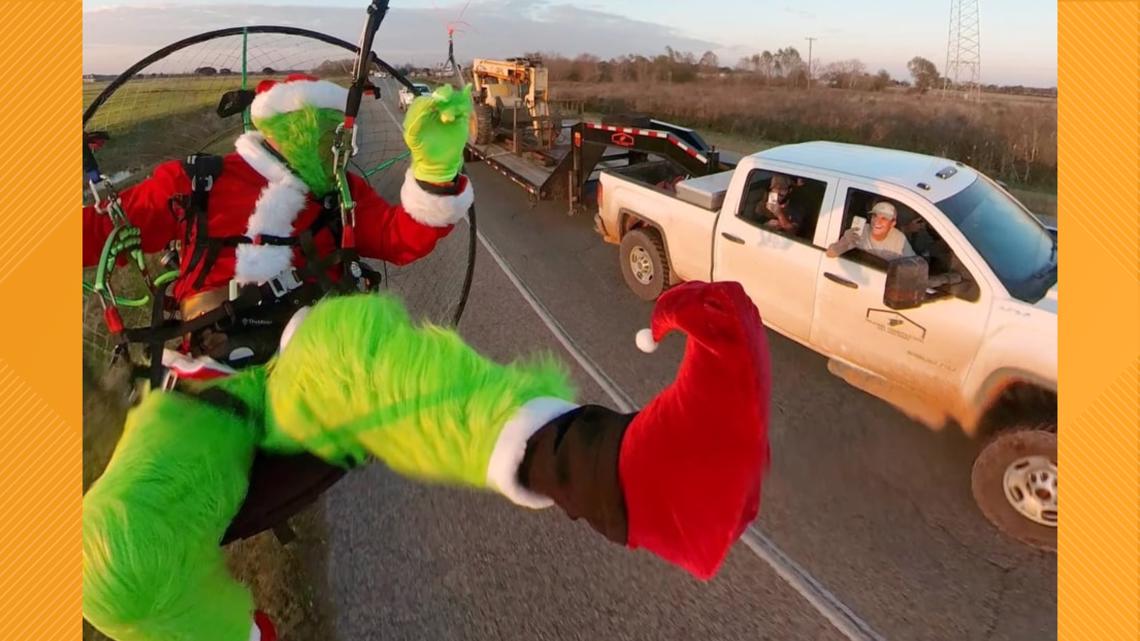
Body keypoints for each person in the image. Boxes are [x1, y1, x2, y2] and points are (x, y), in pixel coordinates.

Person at [82, 280, 774, 641]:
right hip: (194, 421)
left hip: (275, 379)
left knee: (341, 352)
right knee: (119, 552)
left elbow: (399, 228)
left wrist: (434, 163)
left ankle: (628, 469)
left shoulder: (312, 187)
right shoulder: (184, 207)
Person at [83, 74, 475, 374]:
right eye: (331, 136)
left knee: (430, 381)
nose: (343, 150)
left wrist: (435, 174)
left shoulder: (343, 191)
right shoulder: (195, 182)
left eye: (345, 138)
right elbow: (99, 231)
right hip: (207, 369)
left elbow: (398, 239)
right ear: (290, 127)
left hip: (323, 364)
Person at [826, 201, 916, 261]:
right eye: (874, 216)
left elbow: (914, 265)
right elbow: (830, 253)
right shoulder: (860, 231)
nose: (877, 221)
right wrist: (845, 241)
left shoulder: (899, 238)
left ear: (893, 224)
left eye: (884, 218)